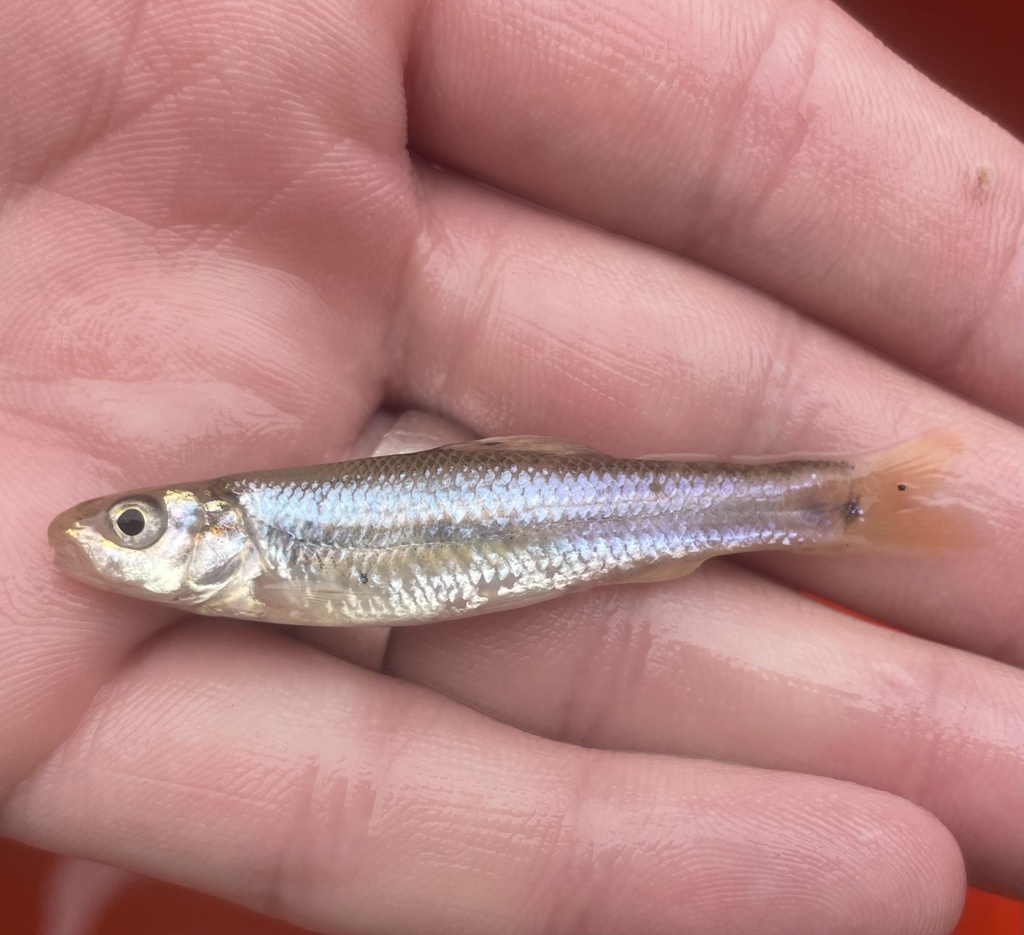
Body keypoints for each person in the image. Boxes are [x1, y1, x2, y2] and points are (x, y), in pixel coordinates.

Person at [0, 1, 1020, 933]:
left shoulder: (265, 542)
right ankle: (830, 501)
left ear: (214, 527)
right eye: (130, 526)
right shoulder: (258, 553)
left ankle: (831, 501)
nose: (105, 536)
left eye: (135, 525)